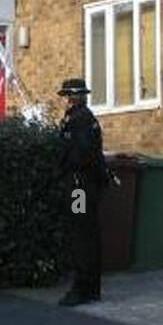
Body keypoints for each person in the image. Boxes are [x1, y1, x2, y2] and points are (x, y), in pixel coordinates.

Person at [57, 77, 107, 306]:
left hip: (79, 186)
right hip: (87, 184)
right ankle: (92, 288)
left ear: (75, 97)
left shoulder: (78, 120)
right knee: (88, 234)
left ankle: (81, 288)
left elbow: (81, 153)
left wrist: (67, 166)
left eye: (69, 95)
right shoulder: (87, 118)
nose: (67, 100)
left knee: (81, 234)